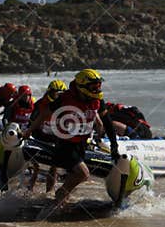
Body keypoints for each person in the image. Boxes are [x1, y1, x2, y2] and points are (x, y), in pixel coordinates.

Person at [24, 69, 119, 205]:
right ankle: (59, 195)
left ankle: (60, 204)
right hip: (65, 144)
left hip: (82, 144)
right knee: (83, 174)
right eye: (94, 86)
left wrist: (114, 146)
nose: (97, 90)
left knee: (73, 176)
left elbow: (108, 124)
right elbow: (45, 113)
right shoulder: (65, 98)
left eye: (99, 86)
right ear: (81, 86)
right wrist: (29, 130)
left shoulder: (97, 100)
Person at [28, 80, 67, 192]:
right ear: (49, 92)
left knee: (54, 166)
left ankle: (49, 192)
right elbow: (32, 123)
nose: (57, 95)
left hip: (55, 138)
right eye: (56, 93)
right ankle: (29, 189)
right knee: (36, 167)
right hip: (39, 136)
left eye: (60, 93)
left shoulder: (66, 105)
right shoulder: (39, 105)